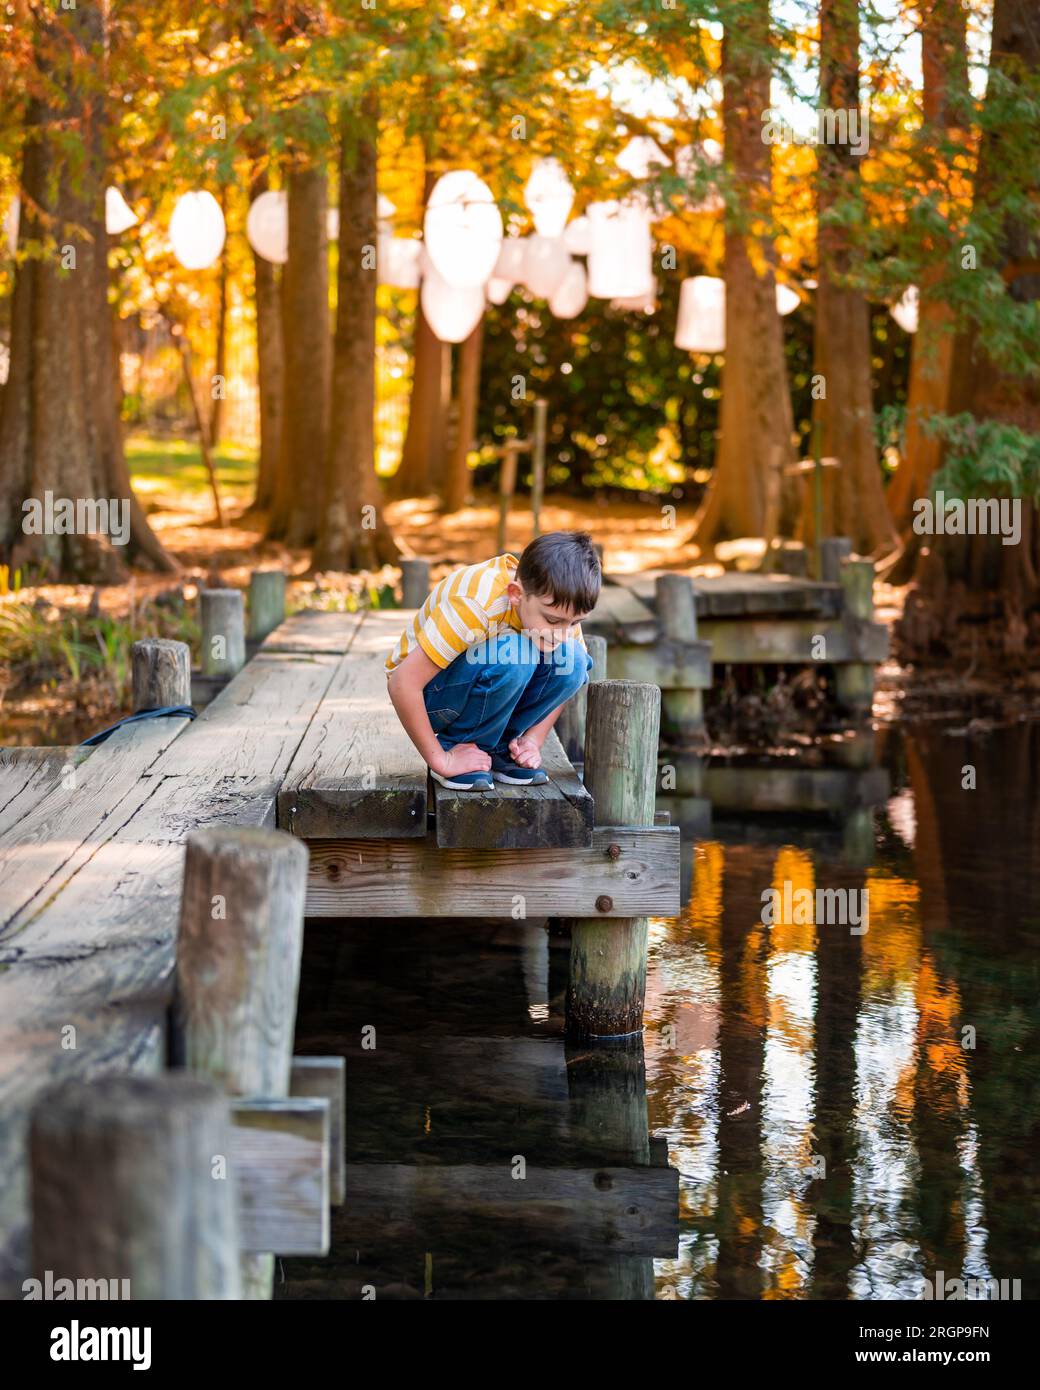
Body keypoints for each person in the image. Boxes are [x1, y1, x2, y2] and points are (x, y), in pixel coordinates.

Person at [386, 531, 601, 790]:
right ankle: (459, 744)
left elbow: (570, 678)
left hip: (485, 689)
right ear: (516, 594)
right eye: (553, 621)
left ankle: (501, 747)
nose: (563, 633)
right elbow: (403, 683)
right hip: (430, 696)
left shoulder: (560, 609)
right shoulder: (477, 604)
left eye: (575, 622)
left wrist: (532, 740)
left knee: (574, 661)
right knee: (517, 652)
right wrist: (441, 760)